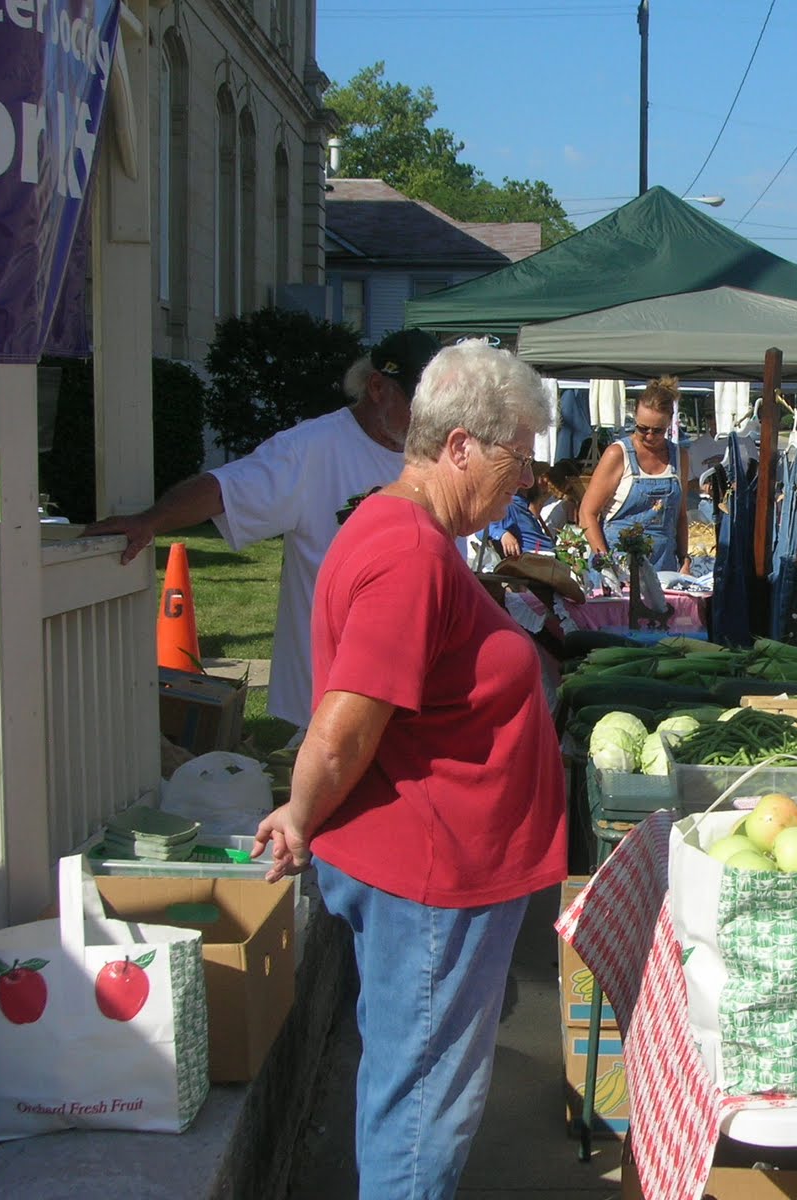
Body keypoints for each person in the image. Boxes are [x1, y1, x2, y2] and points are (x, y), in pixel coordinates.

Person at [252, 339, 564, 1200]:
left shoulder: (410, 533)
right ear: (460, 445)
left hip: (436, 871)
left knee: (409, 1085)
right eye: (517, 457)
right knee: (423, 1105)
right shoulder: (409, 552)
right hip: (432, 877)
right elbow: (345, 725)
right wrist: (299, 814)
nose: (524, 480)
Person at [84, 328, 442, 729]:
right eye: (420, 403)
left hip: (414, 689)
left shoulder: (436, 452)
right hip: (332, 699)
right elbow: (226, 489)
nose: (430, 418)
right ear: (377, 387)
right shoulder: (311, 449)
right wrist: (150, 521)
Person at [580, 376, 689, 571]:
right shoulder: (617, 453)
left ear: (670, 423)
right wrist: (605, 562)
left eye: (657, 430)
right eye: (642, 428)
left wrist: (684, 558)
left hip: (663, 566)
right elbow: (587, 513)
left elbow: (680, 516)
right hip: (619, 565)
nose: (649, 436)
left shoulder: (679, 457)